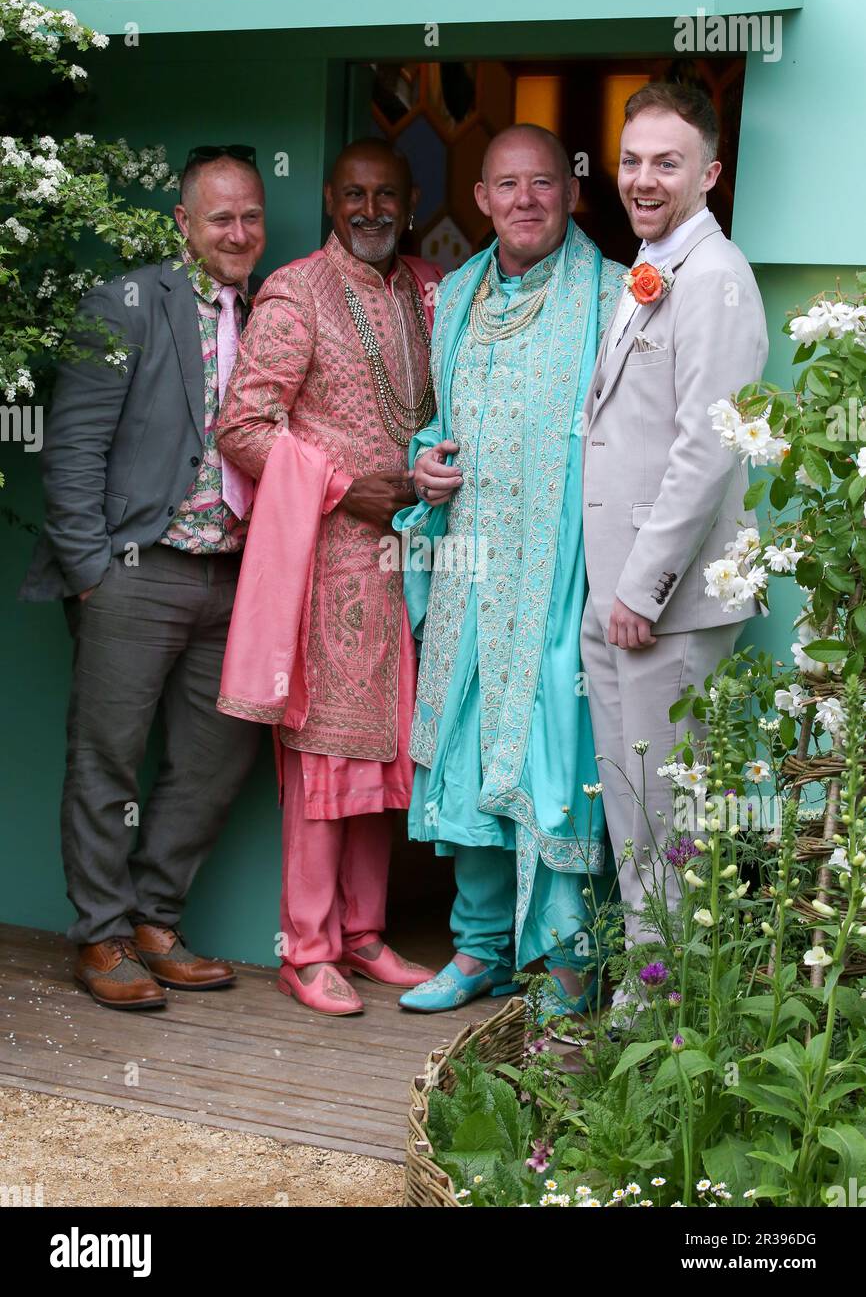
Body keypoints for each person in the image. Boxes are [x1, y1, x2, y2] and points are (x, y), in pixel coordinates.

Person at [19, 145, 267, 1009]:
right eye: (221, 218)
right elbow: (73, 449)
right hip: (136, 572)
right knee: (107, 763)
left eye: (251, 217)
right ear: (184, 224)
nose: (239, 233)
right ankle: (102, 937)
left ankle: (157, 921)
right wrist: (93, 574)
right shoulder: (125, 304)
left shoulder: (268, 310)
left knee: (213, 760)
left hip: (234, 579)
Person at [394, 124, 625, 1016]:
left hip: (563, 574)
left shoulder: (614, 297)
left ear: (570, 193)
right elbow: (435, 419)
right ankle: (480, 948)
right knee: (466, 760)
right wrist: (425, 466)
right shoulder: (454, 294)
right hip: (469, 569)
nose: (525, 199)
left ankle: (569, 964)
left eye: (543, 182)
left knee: (554, 764)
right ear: (480, 199)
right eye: (506, 185)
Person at [216, 138, 441, 1016]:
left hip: (409, 567)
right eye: (355, 195)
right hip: (327, 564)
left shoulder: (426, 290)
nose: (371, 210)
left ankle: (364, 934)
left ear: (410, 200)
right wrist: (345, 487)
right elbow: (244, 425)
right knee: (323, 754)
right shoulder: (295, 291)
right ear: (329, 200)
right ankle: (305, 948)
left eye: (387, 195)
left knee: (385, 749)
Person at [579, 83, 768, 1017]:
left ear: (710, 173)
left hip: (665, 607)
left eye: (667, 162)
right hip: (615, 602)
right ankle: (648, 1013)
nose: (643, 179)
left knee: (664, 823)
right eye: (631, 161)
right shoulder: (652, 264)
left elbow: (710, 445)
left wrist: (642, 590)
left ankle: (661, 1022)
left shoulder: (716, 275)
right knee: (634, 817)